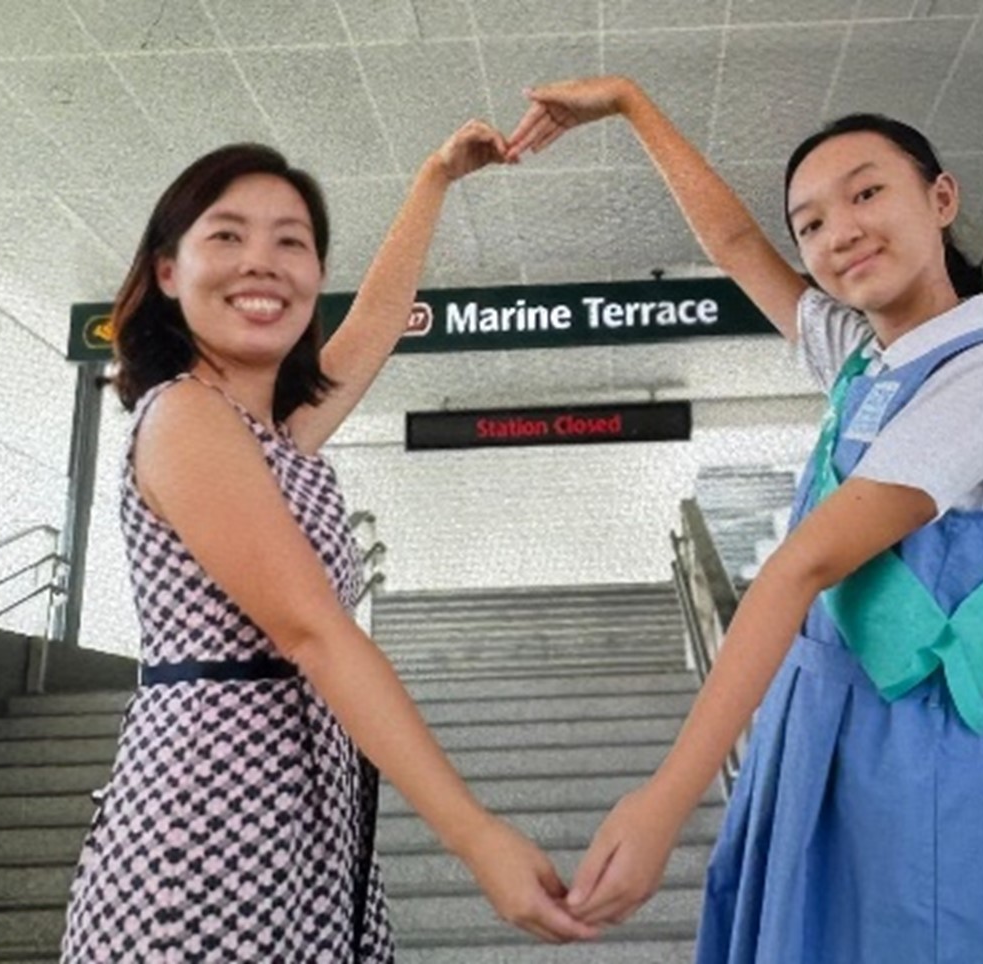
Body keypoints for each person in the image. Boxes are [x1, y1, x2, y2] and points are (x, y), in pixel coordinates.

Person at [506, 77, 983, 963]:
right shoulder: (865, 360)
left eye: (867, 193)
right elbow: (739, 245)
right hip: (806, 720)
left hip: (902, 747)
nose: (839, 233)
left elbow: (802, 567)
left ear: (941, 199)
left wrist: (668, 798)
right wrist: (632, 106)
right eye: (810, 224)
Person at [61, 122, 597, 962]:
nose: (262, 262)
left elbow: (377, 322)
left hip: (292, 806)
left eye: (292, 242)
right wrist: (474, 833)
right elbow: (313, 630)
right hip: (212, 814)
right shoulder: (187, 416)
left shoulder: (268, 432)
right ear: (167, 272)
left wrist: (434, 180)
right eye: (227, 237)